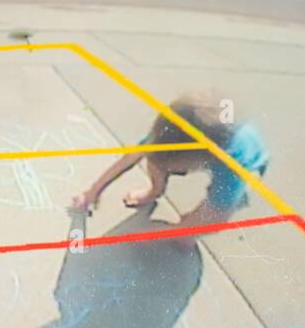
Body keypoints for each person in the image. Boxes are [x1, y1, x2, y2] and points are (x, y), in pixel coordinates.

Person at [70, 90, 270, 245]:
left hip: (250, 165)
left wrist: (167, 233)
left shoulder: (233, 167)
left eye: (175, 166)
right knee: (157, 158)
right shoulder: (169, 133)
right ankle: (155, 191)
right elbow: (130, 158)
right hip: (209, 145)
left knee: (190, 232)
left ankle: (184, 233)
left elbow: (220, 215)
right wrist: (93, 192)